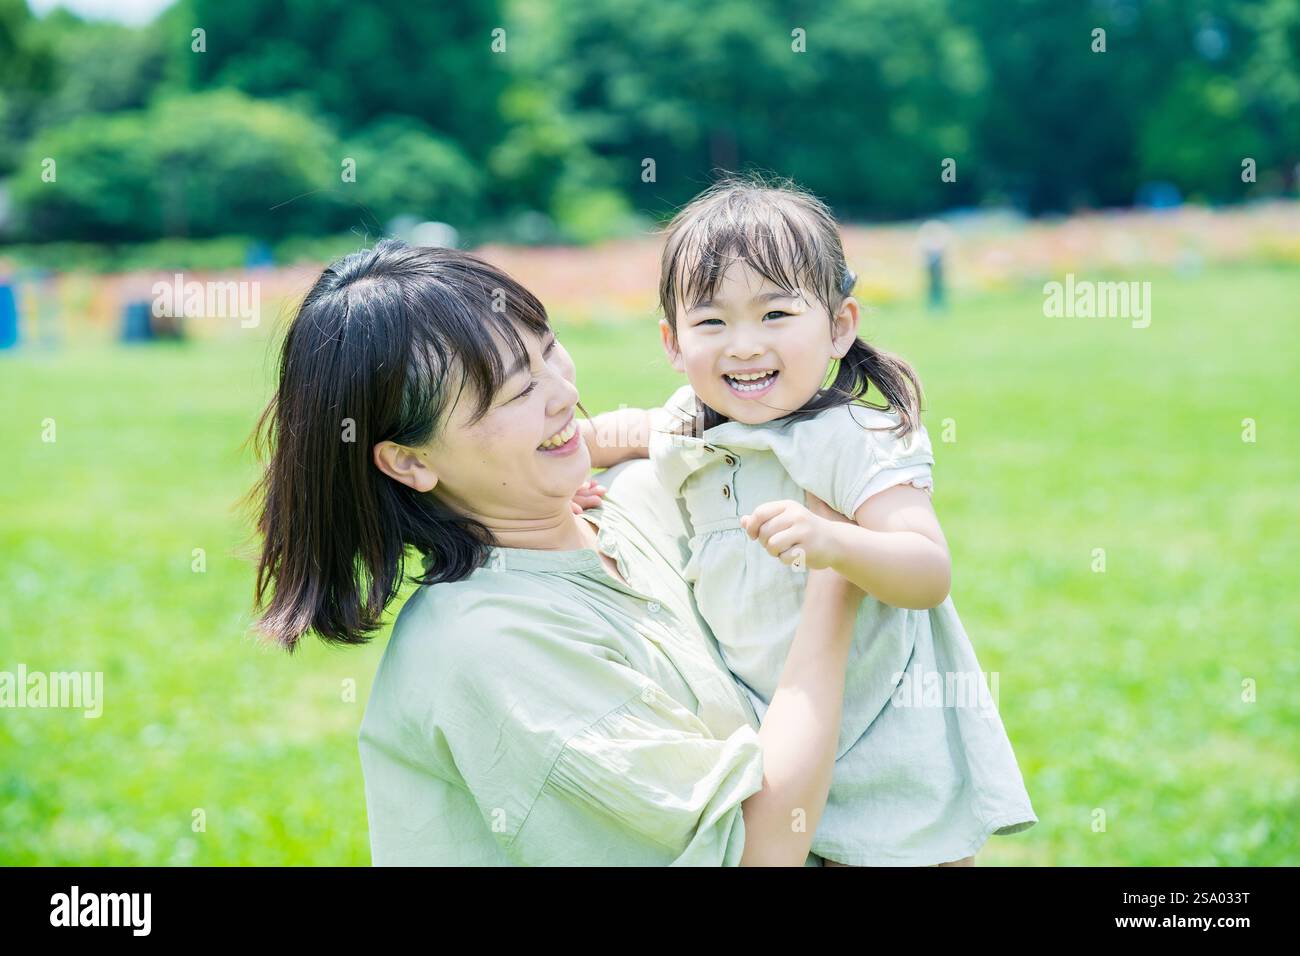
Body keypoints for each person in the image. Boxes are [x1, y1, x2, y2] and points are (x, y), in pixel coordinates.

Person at [245, 238, 864, 865]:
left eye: (547, 351)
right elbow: (757, 852)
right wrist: (839, 579)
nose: (562, 394)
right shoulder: (490, 647)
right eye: (515, 394)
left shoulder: (633, 503)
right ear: (409, 460)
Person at [607, 175, 1037, 866]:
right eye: (712, 322)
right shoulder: (690, 424)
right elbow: (614, 433)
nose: (743, 345)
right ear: (673, 343)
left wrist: (838, 544)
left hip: (887, 756)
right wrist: (564, 477)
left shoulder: (850, 437)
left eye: (775, 315)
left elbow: (928, 572)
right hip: (775, 752)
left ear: (839, 325)